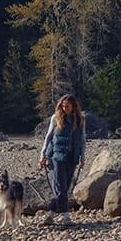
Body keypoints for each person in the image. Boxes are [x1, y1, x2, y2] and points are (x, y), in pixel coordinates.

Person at [37, 94, 86, 226]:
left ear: (73, 106)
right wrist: (43, 155)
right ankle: (65, 216)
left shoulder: (80, 120)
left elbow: (82, 140)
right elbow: (48, 137)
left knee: (64, 187)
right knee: (60, 187)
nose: (65, 108)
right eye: (63, 106)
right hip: (55, 157)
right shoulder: (55, 118)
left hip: (72, 157)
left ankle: (50, 216)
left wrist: (82, 158)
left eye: (67, 106)